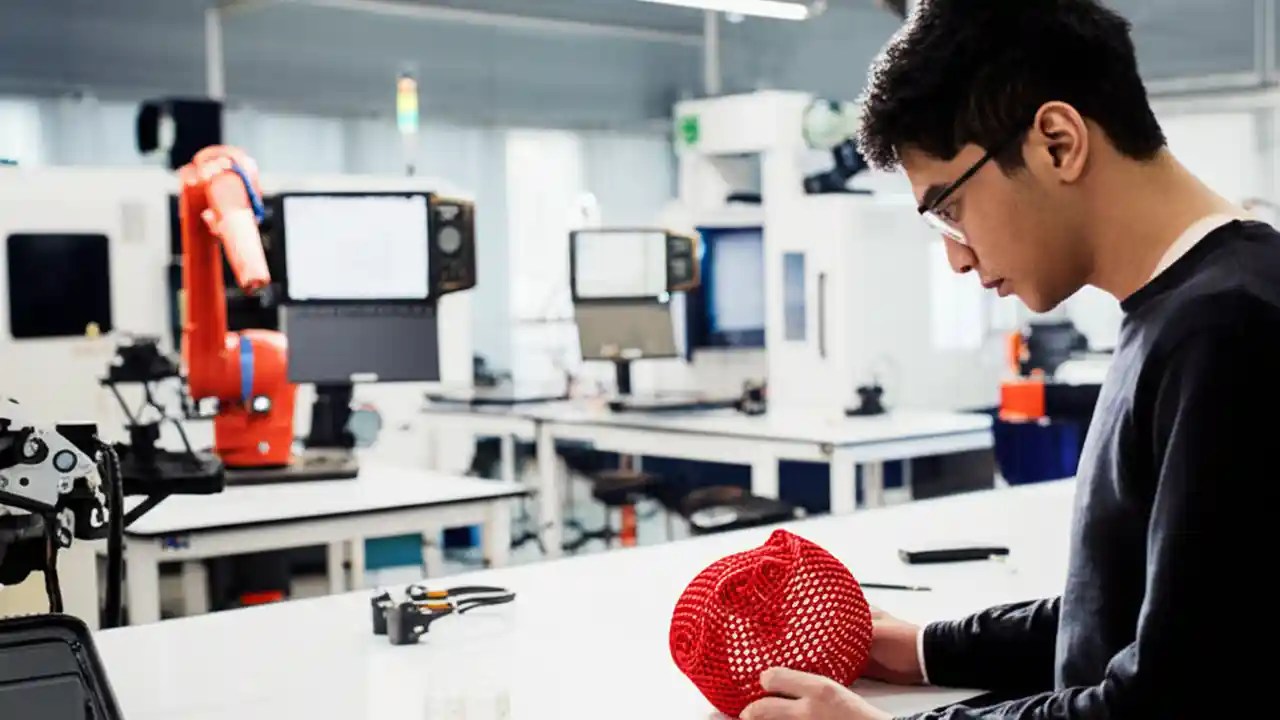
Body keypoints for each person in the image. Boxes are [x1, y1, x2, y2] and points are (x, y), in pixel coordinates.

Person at [740, 1, 1280, 719]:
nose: (957, 259)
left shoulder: (1229, 328)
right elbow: (1138, 613)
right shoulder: (1180, 307)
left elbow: (1169, 698)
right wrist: (924, 647)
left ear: (1057, 142)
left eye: (949, 211)